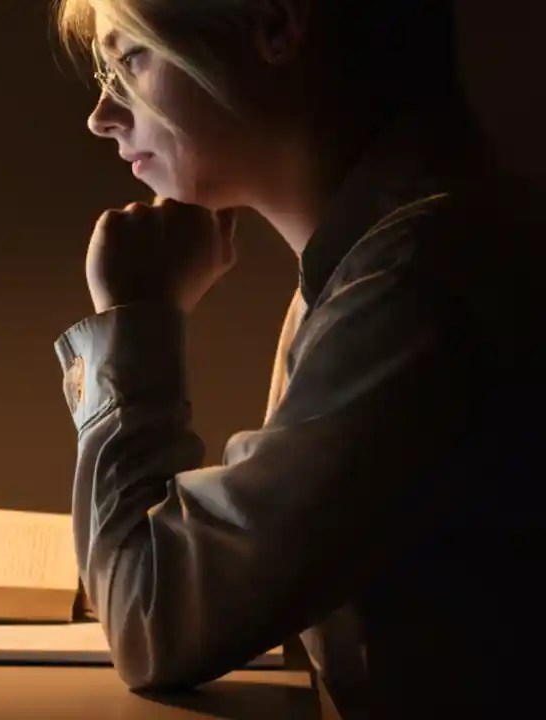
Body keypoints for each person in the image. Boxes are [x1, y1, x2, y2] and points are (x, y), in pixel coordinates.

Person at [50, 0, 543, 716]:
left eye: (131, 58)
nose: (102, 114)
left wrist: (137, 323)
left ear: (277, 25)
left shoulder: (414, 291)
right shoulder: (375, 267)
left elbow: (153, 624)